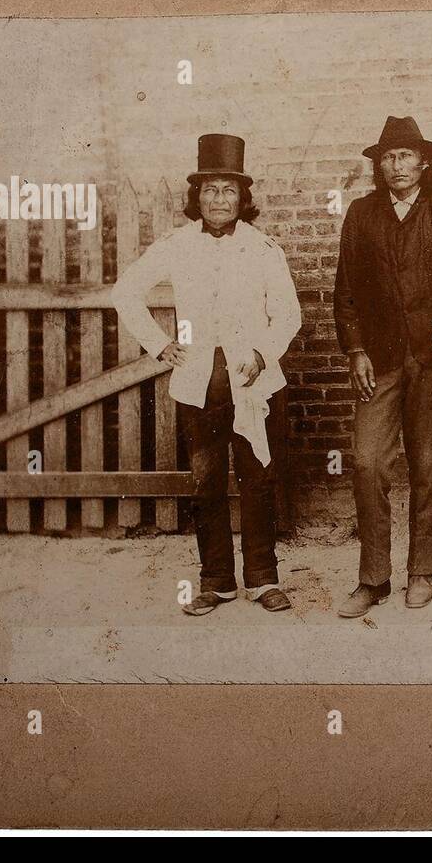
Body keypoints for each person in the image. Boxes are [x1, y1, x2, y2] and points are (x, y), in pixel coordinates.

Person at [111, 133, 301, 616]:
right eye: (210, 190)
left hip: (253, 379)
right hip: (200, 382)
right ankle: (216, 580)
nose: (219, 200)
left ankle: (263, 579)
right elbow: (126, 292)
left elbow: (289, 314)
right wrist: (159, 343)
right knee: (207, 480)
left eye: (229, 190)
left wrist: (262, 353)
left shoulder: (262, 248)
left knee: (258, 477)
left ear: (244, 198)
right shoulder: (176, 245)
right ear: (196, 197)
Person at [332, 116, 432, 617]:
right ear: (379, 165)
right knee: (368, 462)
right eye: (388, 157)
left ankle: (421, 571)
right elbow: (345, 290)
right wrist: (356, 351)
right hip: (381, 359)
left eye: (406, 156)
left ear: (424, 161)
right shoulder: (361, 214)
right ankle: (373, 578)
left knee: (426, 466)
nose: (397, 165)